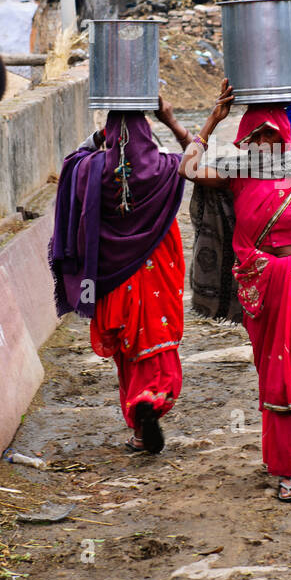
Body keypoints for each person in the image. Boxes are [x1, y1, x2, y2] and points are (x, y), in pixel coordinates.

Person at [183, 80, 291, 502]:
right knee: (271, 371)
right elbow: (186, 169)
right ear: (244, 139)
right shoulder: (235, 177)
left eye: (271, 134)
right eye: (255, 135)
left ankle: (285, 468)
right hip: (259, 285)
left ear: (283, 138)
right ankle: (286, 452)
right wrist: (212, 120)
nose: (263, 142)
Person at [49, 96, 194, 454]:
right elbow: (195, 159)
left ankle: (140, 426)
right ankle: (152, 398)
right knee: (155, 343)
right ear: (147, 134)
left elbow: (70, 162)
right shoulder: (163, 168)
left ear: (108, 134)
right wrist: (172, 121)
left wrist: (100, 138)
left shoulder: (88, 170)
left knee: (128, 350)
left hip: (113, 279)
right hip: (155, 273)